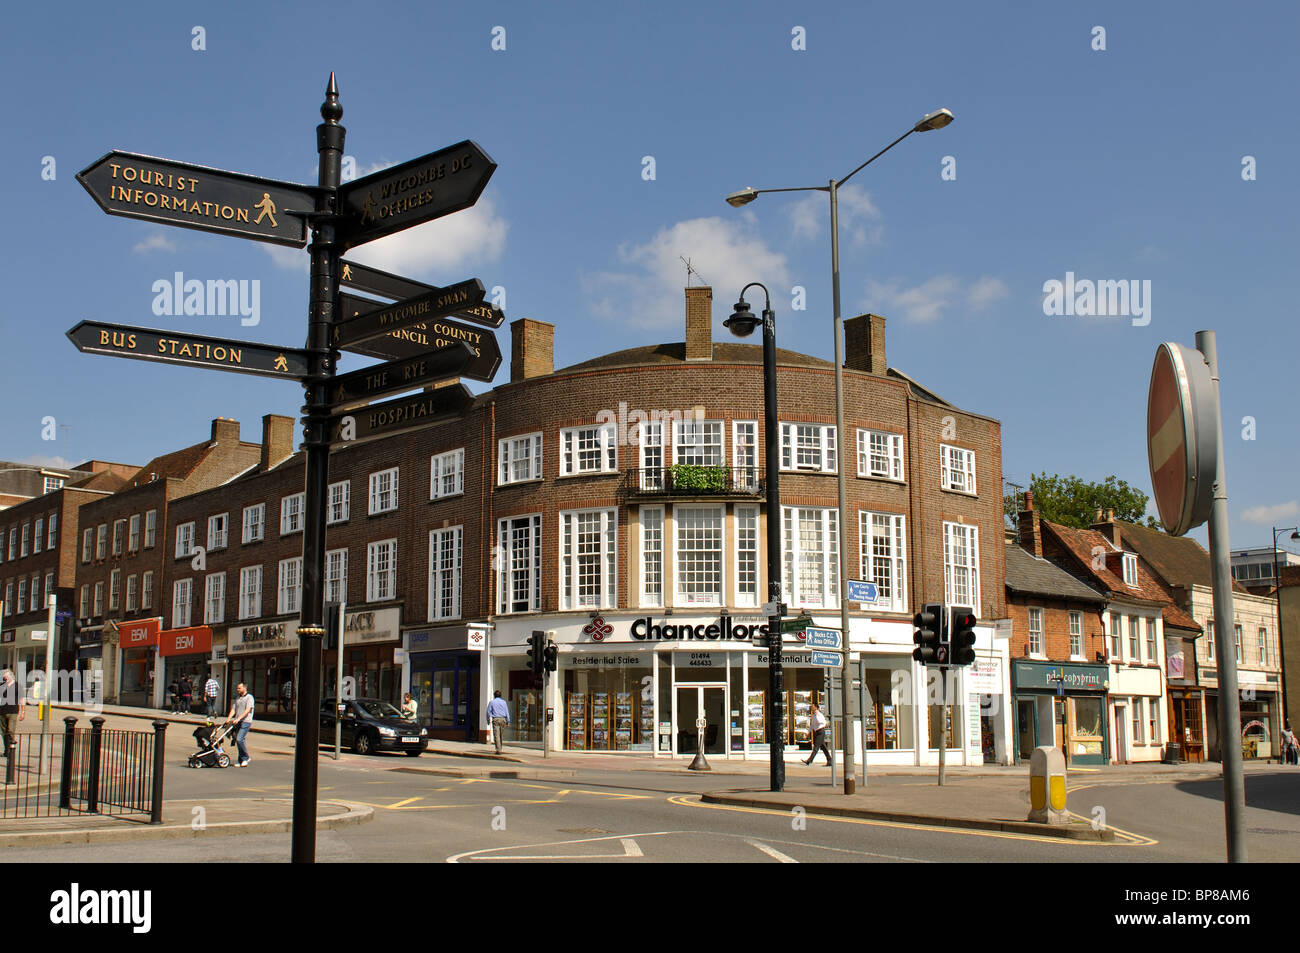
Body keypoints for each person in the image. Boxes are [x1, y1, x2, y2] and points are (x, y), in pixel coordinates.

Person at [224, 682, 255, 767]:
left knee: (239, 739)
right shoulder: (238, 698)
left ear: (244, 688)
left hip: (246, 721)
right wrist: (228, 719)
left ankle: (246, 757)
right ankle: (241, 760)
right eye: (237, 688)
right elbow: (233, 709)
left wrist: (238, 718)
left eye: (239, 688)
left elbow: (247, 710)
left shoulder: (249, 697)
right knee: (239, 740)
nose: (237, 690)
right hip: (237, 722)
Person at [0, 670, 26, 758]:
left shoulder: (18, 686)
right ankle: (6, 750)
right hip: (2, 711)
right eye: (4, 677)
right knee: (3, 732)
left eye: (6, 677)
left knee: (10, 730)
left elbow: (22, 699)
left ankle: (11, 749)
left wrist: (23, 712)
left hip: (13, 711)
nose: (5, 678)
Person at [804, 701, 832, 766]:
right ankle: (829, 760)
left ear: (816, 708)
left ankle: (809, 760)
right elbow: (812, 725)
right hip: (816, 732)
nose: (812, 708)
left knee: (816, 747)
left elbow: (824, 723)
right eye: (811, 707)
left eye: (813, 707)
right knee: (823, 747)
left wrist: (817, 716)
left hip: (821, 731)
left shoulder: (820, 715)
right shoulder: (813, 716)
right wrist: (808, 732)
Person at [486, 690, 510, 754]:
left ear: (494, 696)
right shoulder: (504, 702)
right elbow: (507, 712)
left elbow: (488, 712)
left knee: (496, 735)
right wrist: (508, 721)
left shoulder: (492, 702)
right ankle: (500, 748)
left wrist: (488, 720)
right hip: (503, 719)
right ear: (500, 696)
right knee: (501, 735)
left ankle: (498, 749)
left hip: (496, 719)